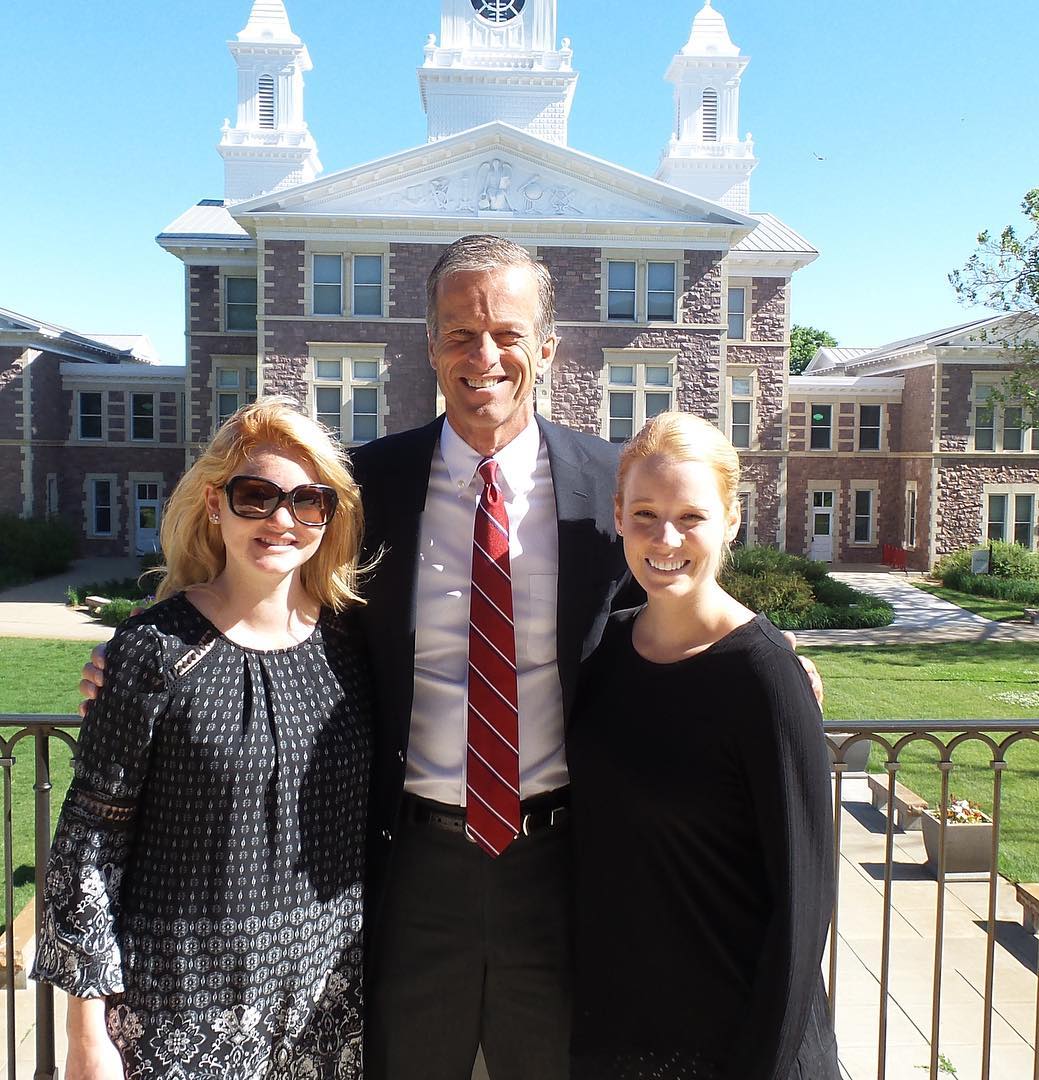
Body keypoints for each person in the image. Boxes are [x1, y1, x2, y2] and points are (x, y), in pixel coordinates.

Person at [82, 236, 822, 1080]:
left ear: (546, 347)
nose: (484, 356)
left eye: (507, 332)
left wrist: (760, 652)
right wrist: (148, 648)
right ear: (428, 345)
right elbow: (265, 581)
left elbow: (672, 590)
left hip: (567, 862)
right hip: (410, 863)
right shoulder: (366, 488)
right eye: (459, 334)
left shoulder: (605, 491)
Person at [39, 399, 371, 1079]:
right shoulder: (152, 653)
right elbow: (90, 843)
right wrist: (86, 1028)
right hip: (183, 1014)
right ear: (215, 505)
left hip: (326, 1013)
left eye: (307, 502)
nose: (281, 520)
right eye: (257, 496)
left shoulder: (355, 649)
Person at [566, 411, 840, 1080]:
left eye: (691, 517)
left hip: (734, 1042)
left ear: (731, 520)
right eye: (646, 514)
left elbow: (804, 907)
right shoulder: (602, 658)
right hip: (618, 1033)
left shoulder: (765, 675)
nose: (666, 538)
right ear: (618, 515)